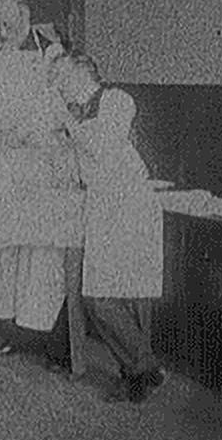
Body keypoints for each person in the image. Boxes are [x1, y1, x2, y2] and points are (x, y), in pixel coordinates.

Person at [0, 0, 77, 356]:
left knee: (42, 253)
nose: (2, 29)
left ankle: (55, 340)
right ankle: (14, 329)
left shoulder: (49, 49)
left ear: (25, 15)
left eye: (7, 22)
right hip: (3, 162)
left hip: (38, 161)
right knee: (5, 251)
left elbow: (56, 103)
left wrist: (21, 133)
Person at [66, 87, 166, 403]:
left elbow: (85, 144)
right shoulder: (104, 138)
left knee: (101, 299)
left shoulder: (107, 139)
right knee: (112, 298)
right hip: (118, 224)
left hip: (126, 225)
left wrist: (66, 118)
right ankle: (137, 373)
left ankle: (143, 364)